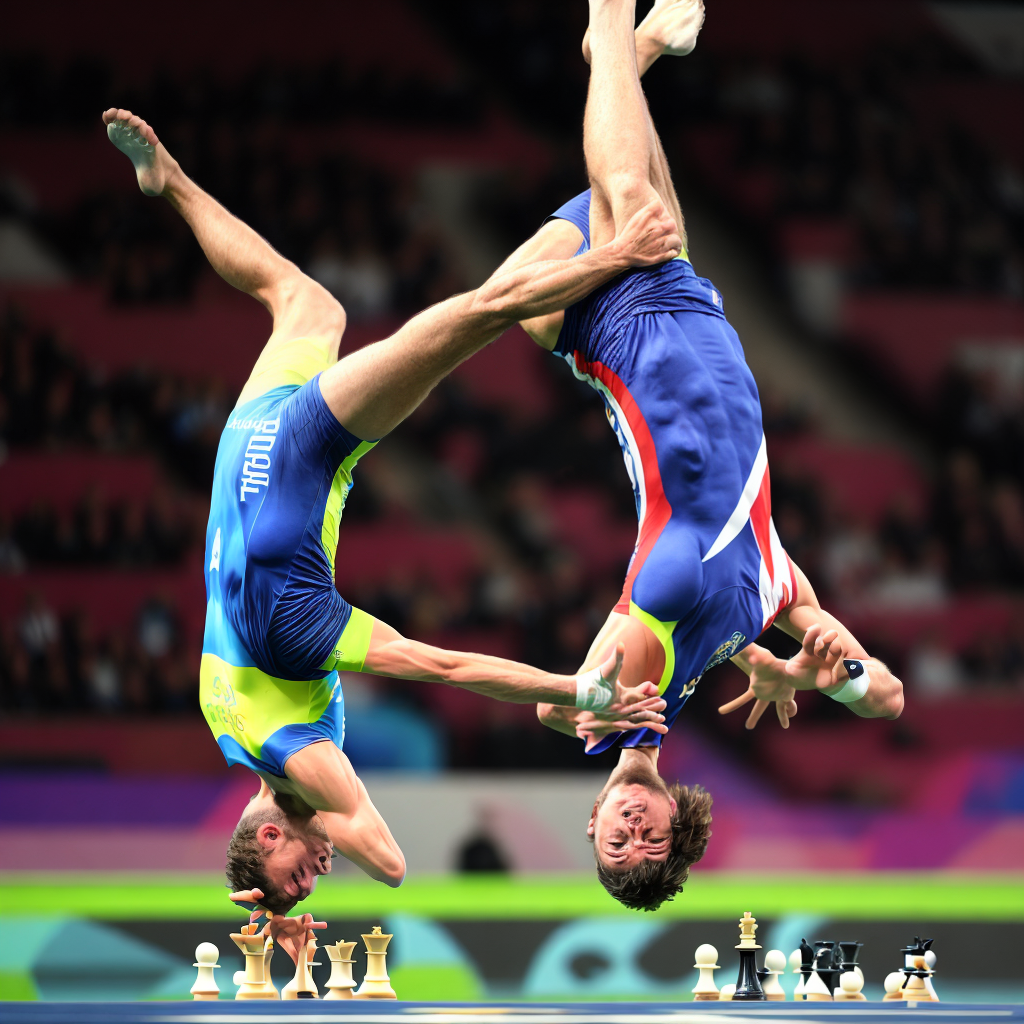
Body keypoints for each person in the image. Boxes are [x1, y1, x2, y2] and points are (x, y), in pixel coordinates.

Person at [101, 106, 683, 922]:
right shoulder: (228, 725)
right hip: (243, 461)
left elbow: (394, 850)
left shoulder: (298, 745)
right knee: (304, 301)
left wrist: (579, 692)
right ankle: (172, 181)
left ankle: (618, 245)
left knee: (474, 318)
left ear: (269, 841)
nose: (322, 871)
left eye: (305, 876)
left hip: (295, 463)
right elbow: (325, 823)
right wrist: (280, 891)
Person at [495, 0, 904, 911]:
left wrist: (589, 698)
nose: (634, 836)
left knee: (584, 211)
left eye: (616, 847)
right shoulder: (757, 608)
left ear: (595, 823)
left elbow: (557, 707)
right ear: (681, 824)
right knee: (596, 176)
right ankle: (633, 53)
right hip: (701, 322)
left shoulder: (626, 697)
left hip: (628, 337)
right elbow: (891, 701)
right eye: (653, 848)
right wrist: (833, 673)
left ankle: (621, 34)